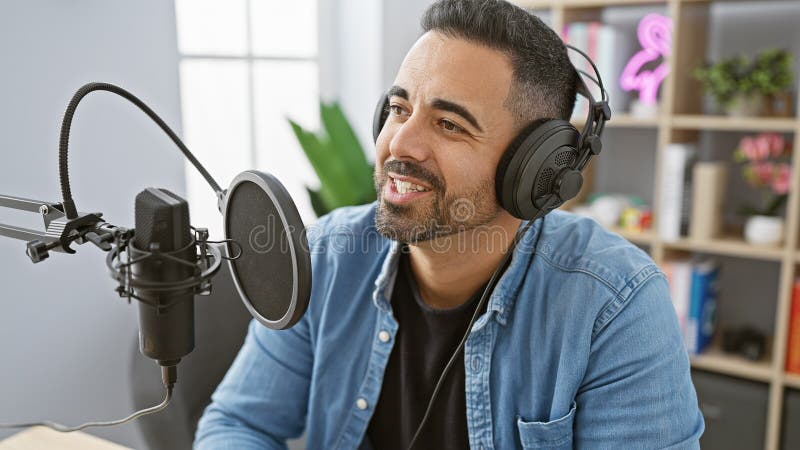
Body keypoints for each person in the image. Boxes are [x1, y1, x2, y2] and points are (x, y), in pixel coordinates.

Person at [194, 1, 705, 449]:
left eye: (449, 125)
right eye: (399, 108)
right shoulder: (326, 256)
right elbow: (238, 423)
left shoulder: (615, 306)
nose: (399, 145)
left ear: (534, 170)